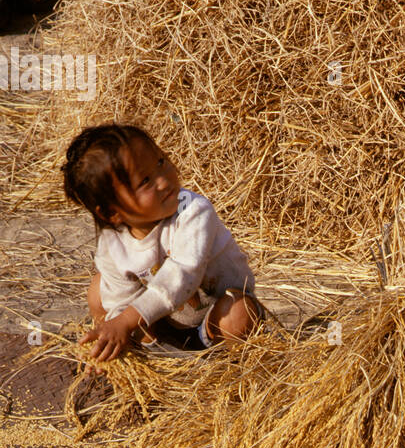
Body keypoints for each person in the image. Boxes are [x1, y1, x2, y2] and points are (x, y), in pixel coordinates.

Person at [61, 124, 263, 369]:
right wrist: (117, 326)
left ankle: (229, 370)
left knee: (239, 314)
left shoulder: (192, 210)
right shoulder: (111, 243)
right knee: (98, 289)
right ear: (112, 213)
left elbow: (183, 272)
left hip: (216, 320)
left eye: (161, 161)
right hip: (161, 326)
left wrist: (126, 320)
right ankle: (118, 352)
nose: (164, 179)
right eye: (145, 180)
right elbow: (120, 303)